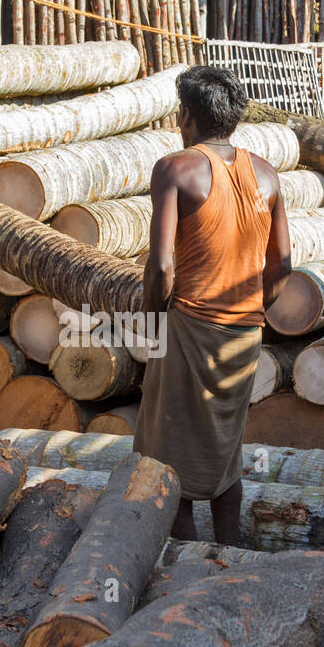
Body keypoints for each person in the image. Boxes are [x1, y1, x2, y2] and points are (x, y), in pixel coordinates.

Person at [133, 65, 291, 543]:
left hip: (189, 330)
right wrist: (253, 312)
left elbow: (161, 266)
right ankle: (228, 554)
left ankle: (181, 565)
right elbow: (282, 264)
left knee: (169, 457)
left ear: (187, 116)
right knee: (226, 454)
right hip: (246, 335)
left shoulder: (175, 168)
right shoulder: (267, 174)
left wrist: (154, 318)